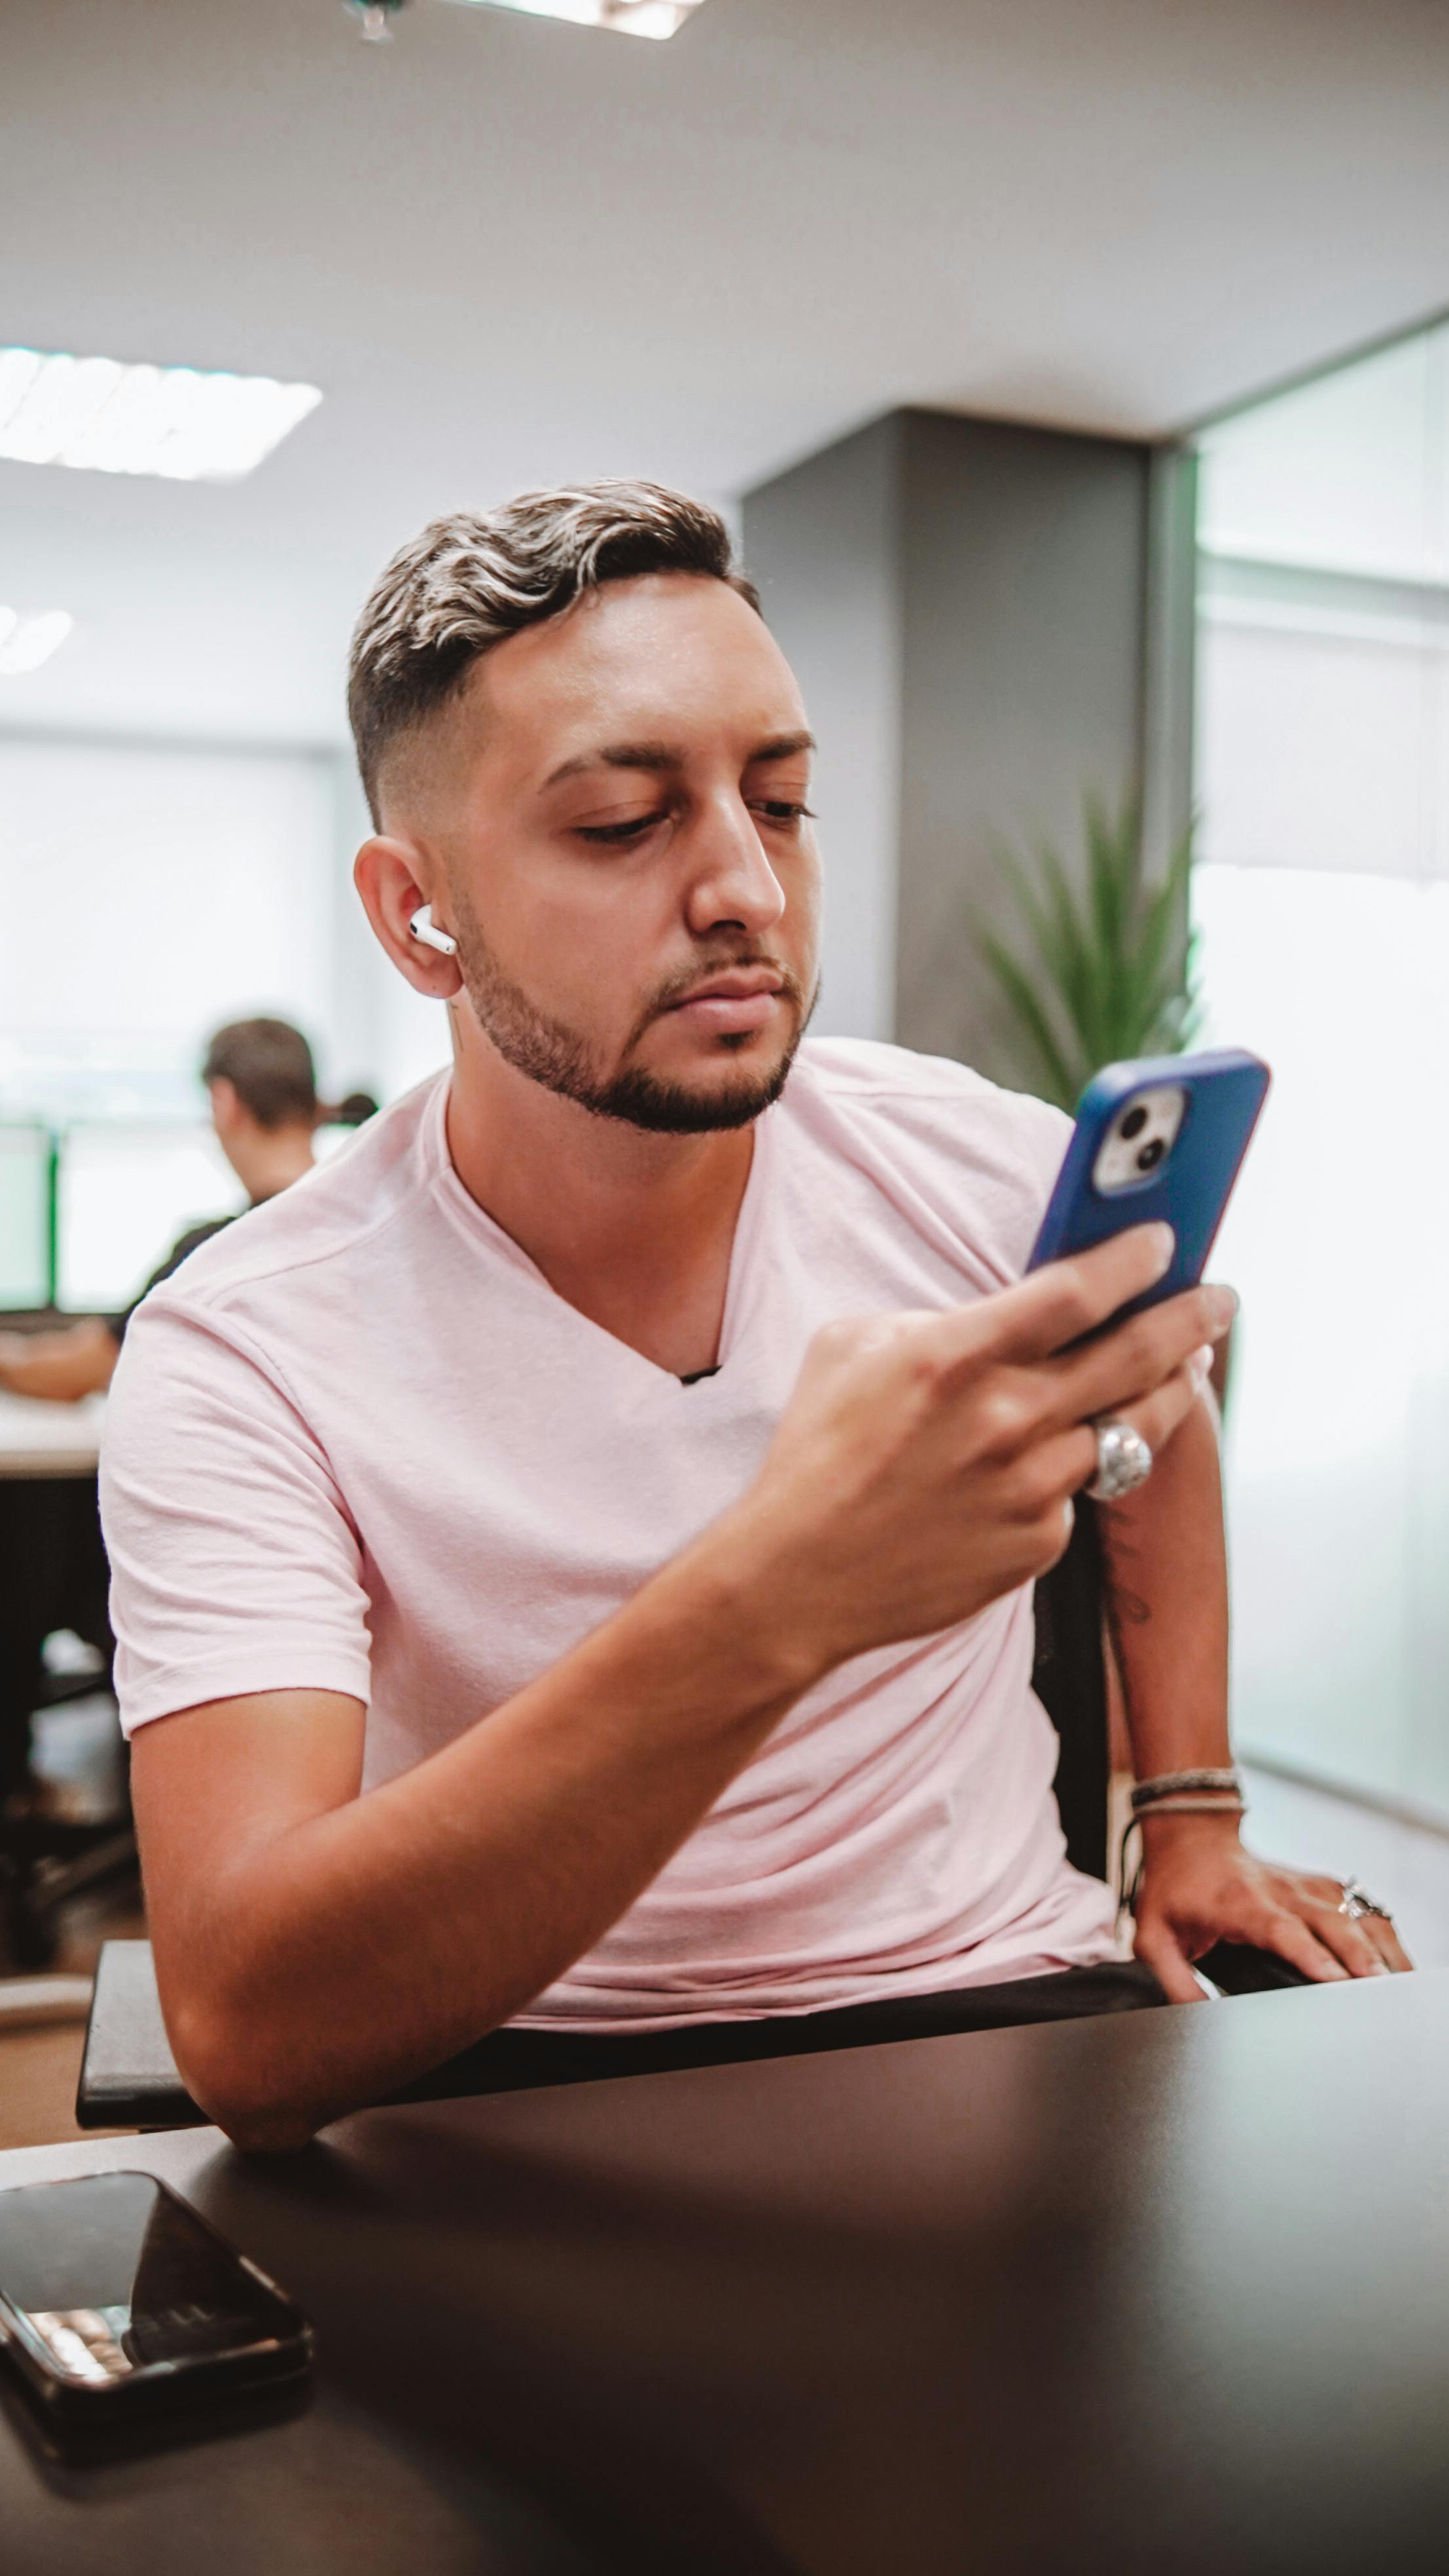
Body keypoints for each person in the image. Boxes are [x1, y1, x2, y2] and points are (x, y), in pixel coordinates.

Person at [100, 484, 1410, 2154]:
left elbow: (1163, 1416)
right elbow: (248, 2027)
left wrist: (1194, 1812)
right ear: (419, 914)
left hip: (993, 2011)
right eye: (621, 822)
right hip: (506, 2067)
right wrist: (787, 1588)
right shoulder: (243, 1348)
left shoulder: (978, 1174)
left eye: (780, 802)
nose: (747, 889)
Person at [0, 1023, 375, 1404]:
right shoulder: (371, 1231)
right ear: (313, 1105)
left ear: (224, 1103)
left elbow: (80, 1371)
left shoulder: (214, 1254)